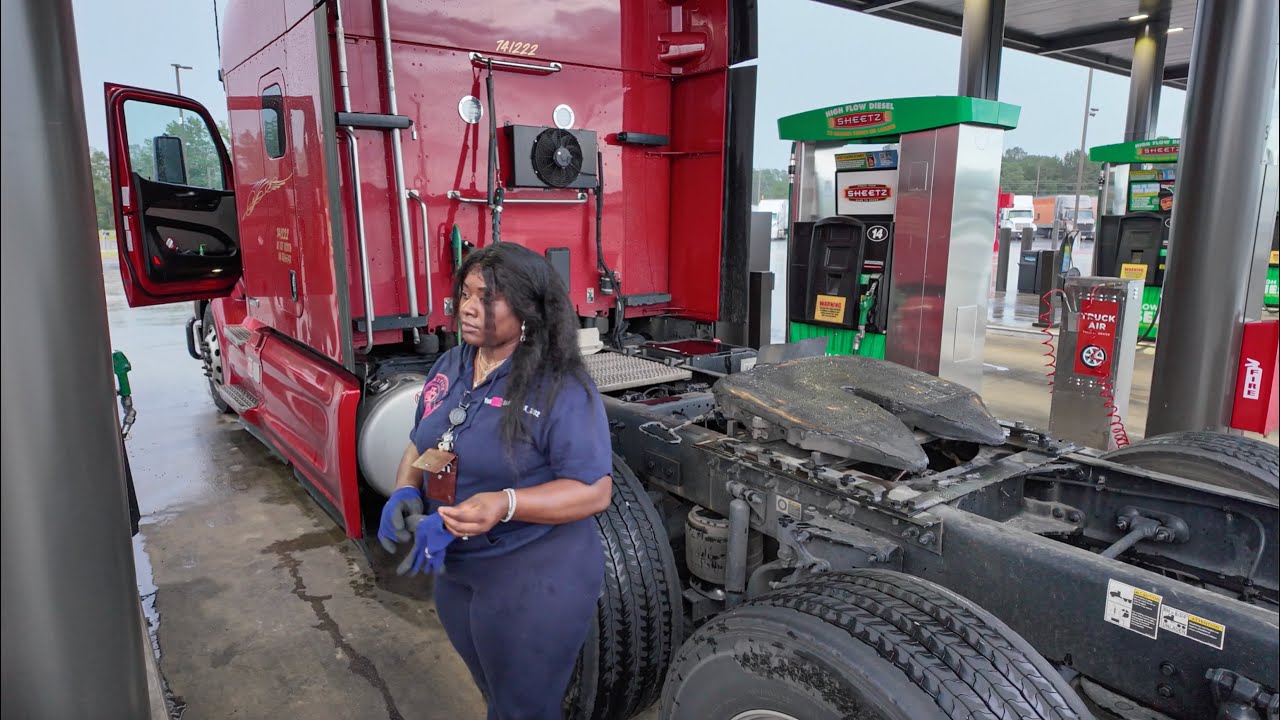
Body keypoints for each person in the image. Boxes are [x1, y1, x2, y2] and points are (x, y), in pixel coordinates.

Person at [378, 242, 613, 720]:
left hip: (534, 578)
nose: (467, 307)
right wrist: (405, 486)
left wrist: (504, 504)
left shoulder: (560, 385)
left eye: (487, 298)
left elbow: (594, 490)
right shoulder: (454, 363)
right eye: (465, 293)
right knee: (497, 695)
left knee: (525, 708)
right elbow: (426, 440)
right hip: (461, 573)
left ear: (526, 310)